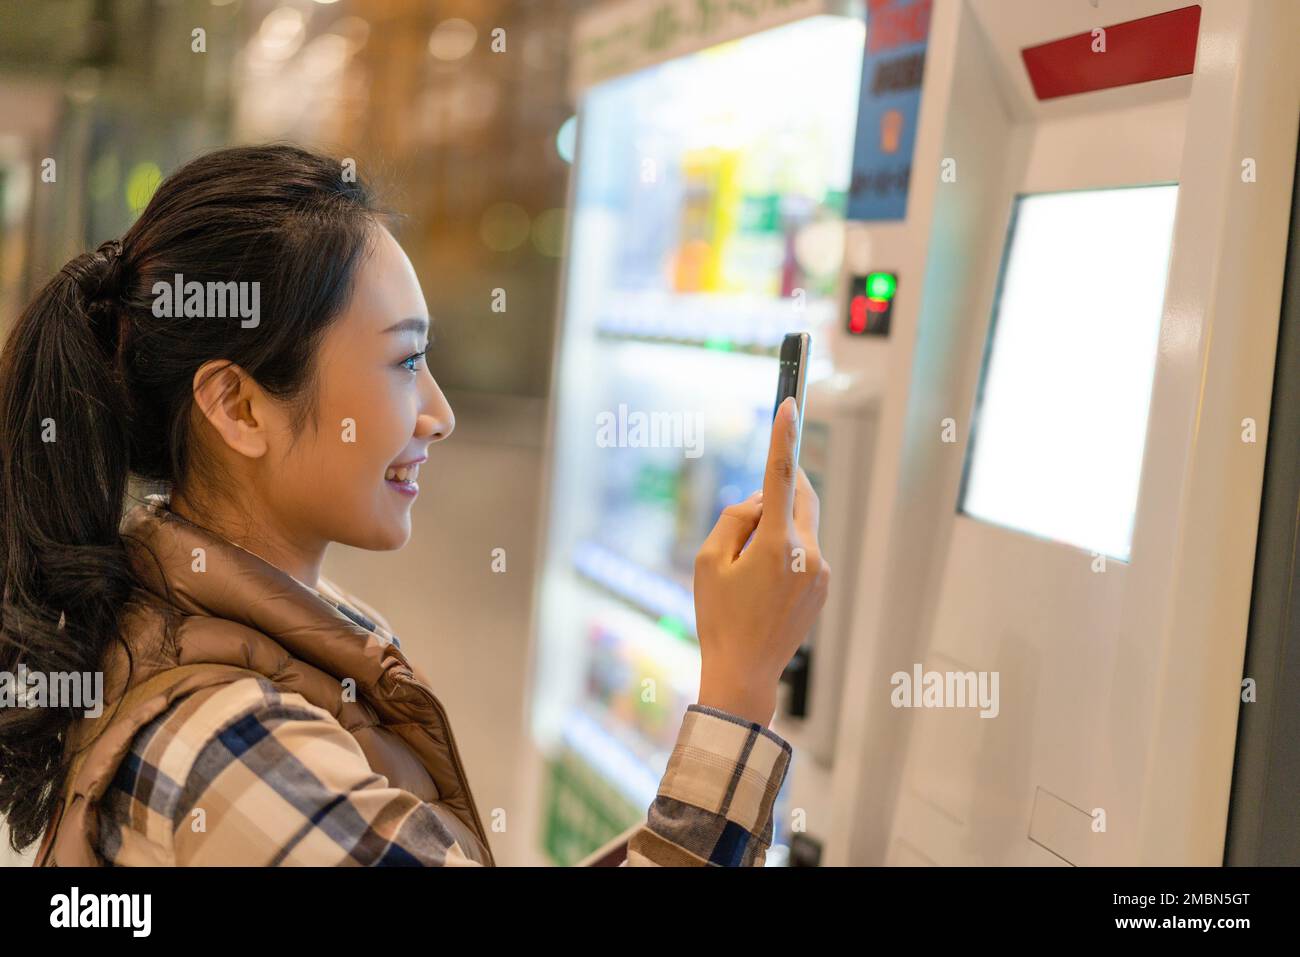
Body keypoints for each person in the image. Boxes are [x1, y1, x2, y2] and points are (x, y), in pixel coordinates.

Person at [0, 144, 830, 866]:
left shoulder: (170, 614)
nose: (440, 412)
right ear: (239, 406)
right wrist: (740, 689)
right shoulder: (243, 749)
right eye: (405, 362)